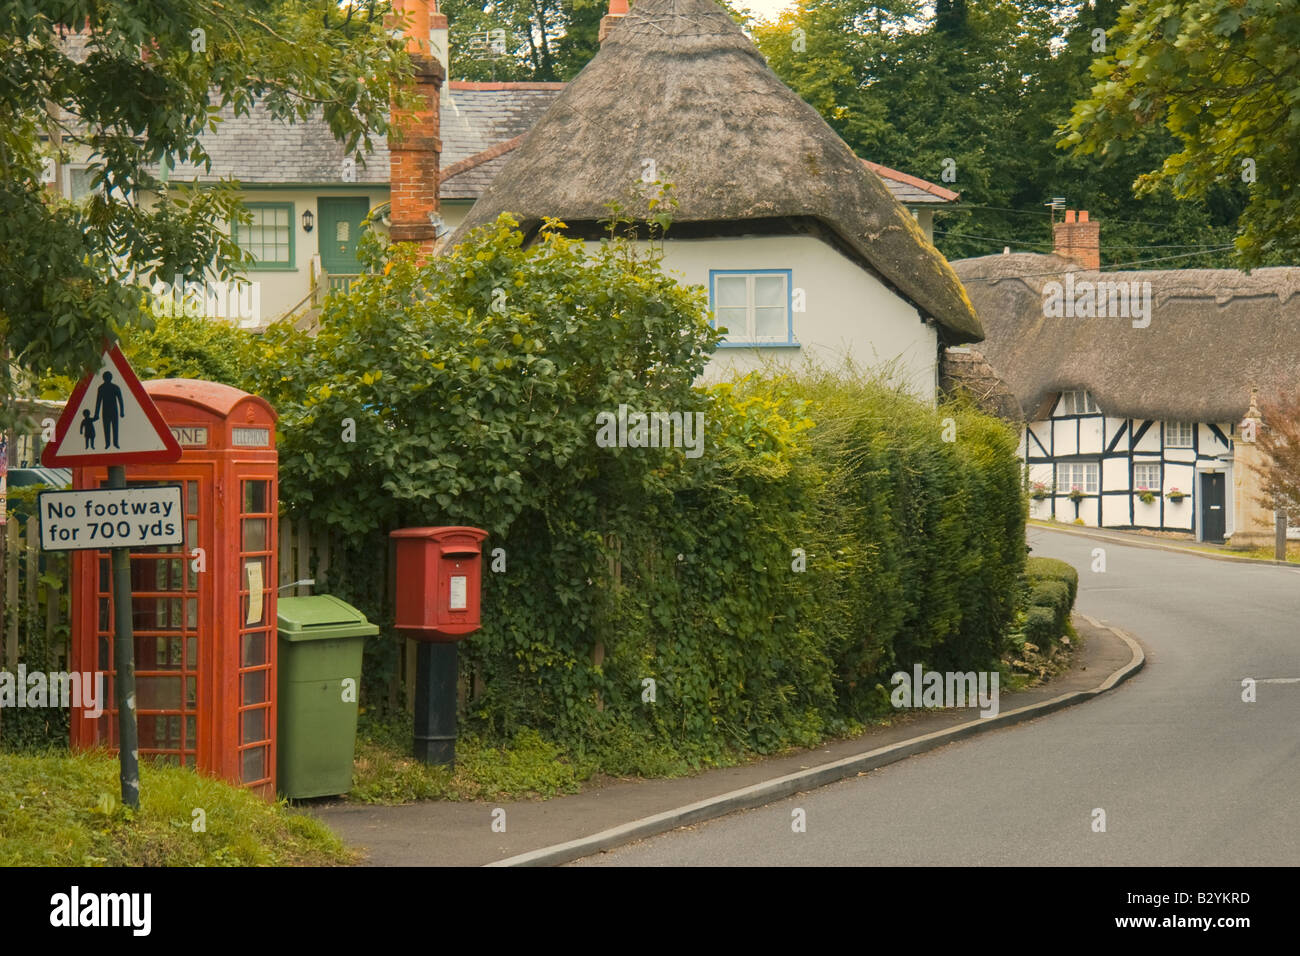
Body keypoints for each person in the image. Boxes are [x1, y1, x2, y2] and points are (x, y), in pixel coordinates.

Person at [92, 371, 125, 450]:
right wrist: (96, 414)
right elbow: (98, 402)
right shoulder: (101, 388)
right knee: (107, 428)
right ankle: (107, 444)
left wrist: (122, 411)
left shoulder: (115, 387)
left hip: (113, 411)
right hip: (106, 411)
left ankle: (115, 443)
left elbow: (120, 400)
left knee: (114, 427)